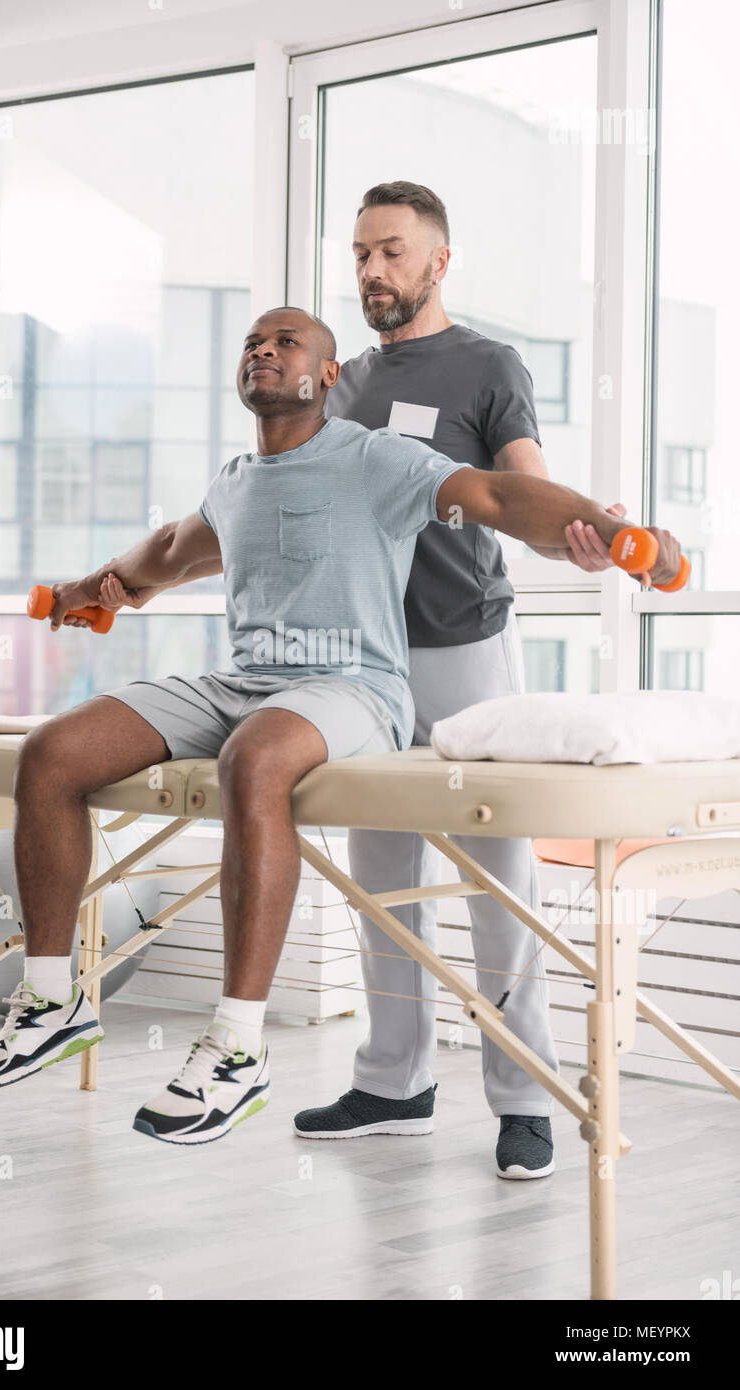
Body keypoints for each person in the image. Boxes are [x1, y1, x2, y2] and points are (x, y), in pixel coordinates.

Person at [0, 306, 681, 1152]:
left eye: (286, 341)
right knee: (52, 752)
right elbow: (168, 552)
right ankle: (51, 1000)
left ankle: (235, 1047)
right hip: (244, 682)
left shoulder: (375, 459)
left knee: (253, 758)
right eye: (253, 343)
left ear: (329, 377)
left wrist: (626, 539)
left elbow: (497, 493)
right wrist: (86, 589)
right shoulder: (234, 481)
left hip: (353, 685)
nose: (264, 350)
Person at [292, 181, 626, 1179]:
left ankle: (524, 1095)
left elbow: (521, 485)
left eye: (391, 252)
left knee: (496, 877)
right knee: (382, 879)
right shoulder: (339, 382)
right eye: (359, 254)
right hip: (366, 663)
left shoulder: (488, 363)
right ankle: (394, 1081)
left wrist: (581, 537)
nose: (371, 272)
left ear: (440, 261)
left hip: (465, 644)